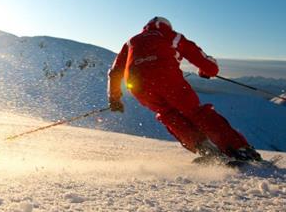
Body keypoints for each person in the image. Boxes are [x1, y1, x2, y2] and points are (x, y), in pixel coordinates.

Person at [107, 17, 262, 162]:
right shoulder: (171, 36)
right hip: (167, 78)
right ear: (167, 26)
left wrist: (114, 98)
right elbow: (207, 63)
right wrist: (206, 71)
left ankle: (206, 151)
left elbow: (114, 72)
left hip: (138, 86)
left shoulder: (131, 42)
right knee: (196, 112)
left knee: (168, 114)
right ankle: (239, 149)